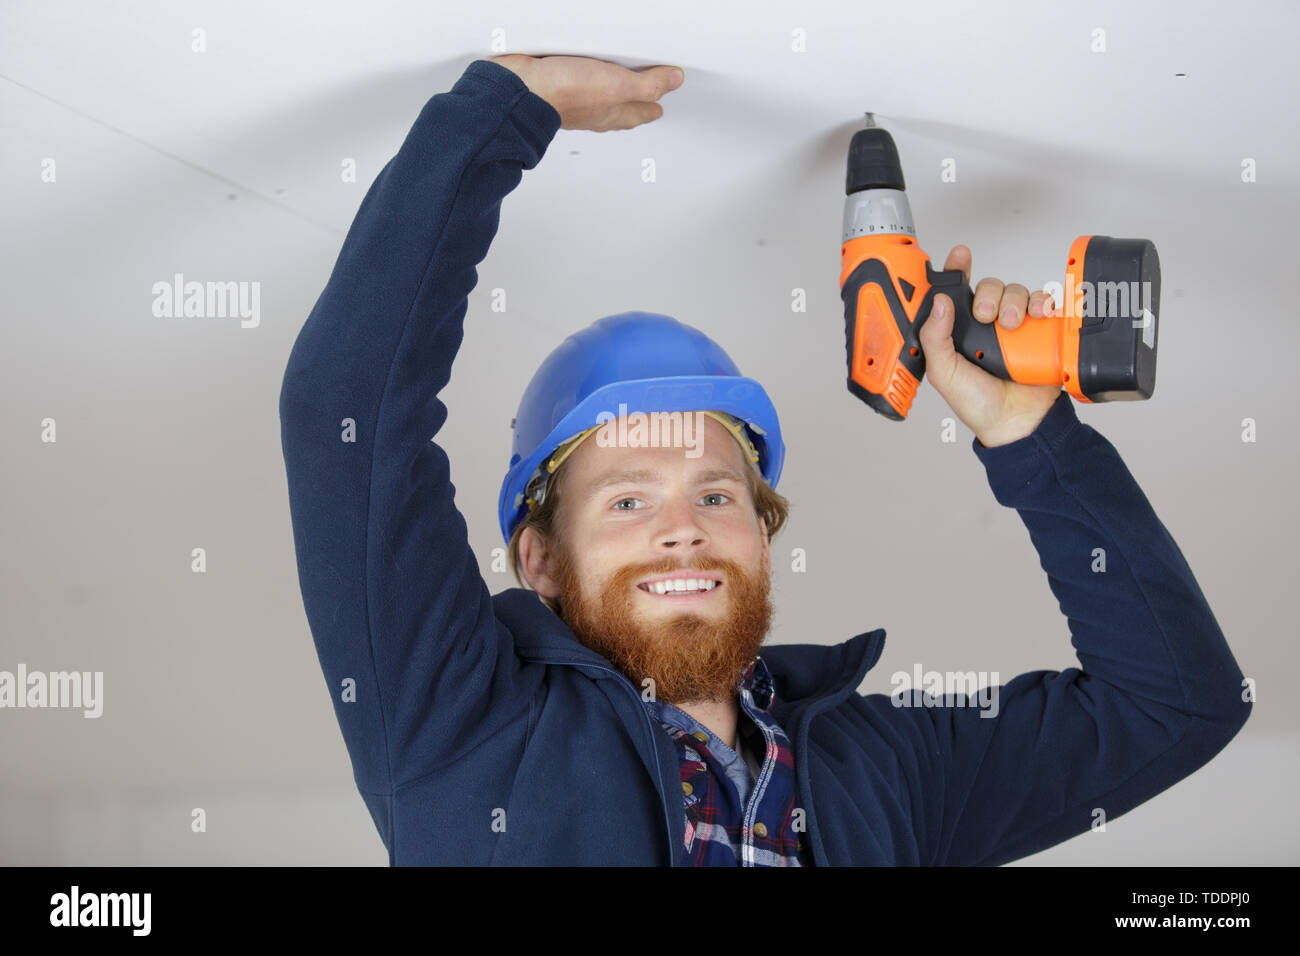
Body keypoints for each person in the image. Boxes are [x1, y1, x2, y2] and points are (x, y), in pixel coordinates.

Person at [278, 54, 1251, 866]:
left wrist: (1032, 439)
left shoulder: (892, 767)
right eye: (625, 500)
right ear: (539, 561)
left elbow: (1175, 704)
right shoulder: (462, 728)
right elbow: (344, 413)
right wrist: (499, 113)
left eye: (714, 489)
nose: (682, 523)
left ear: (761, 532)